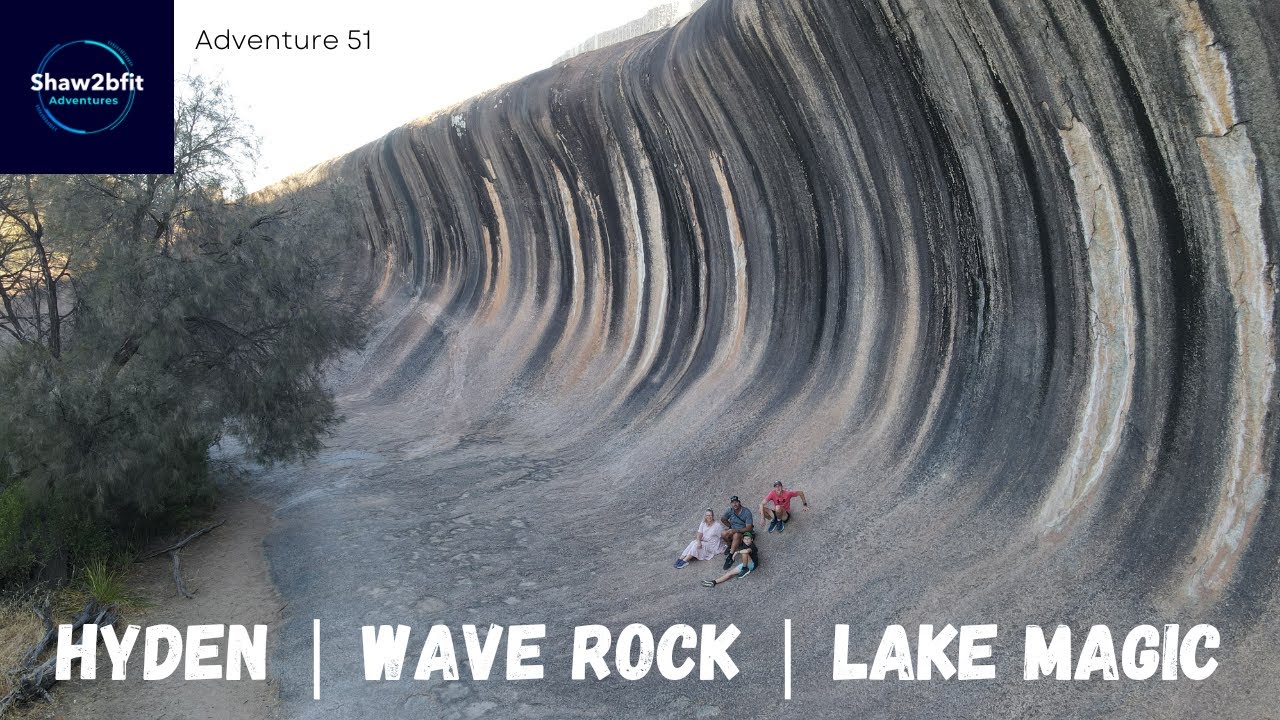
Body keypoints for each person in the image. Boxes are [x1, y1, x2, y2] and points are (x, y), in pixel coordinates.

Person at [719, 495, 754, 567]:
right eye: (733, 503)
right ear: (731, 504)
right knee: (723, 533)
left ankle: (731, 555)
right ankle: (730, 545)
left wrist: (735, 530)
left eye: (736, 502)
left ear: (739, 502)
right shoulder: (730, 510)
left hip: (743, 531)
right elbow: (723, 519)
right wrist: (730, 526)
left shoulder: (746, 512)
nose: (734, 504)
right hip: (734, 529)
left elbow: (749, 528)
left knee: (736, 535)